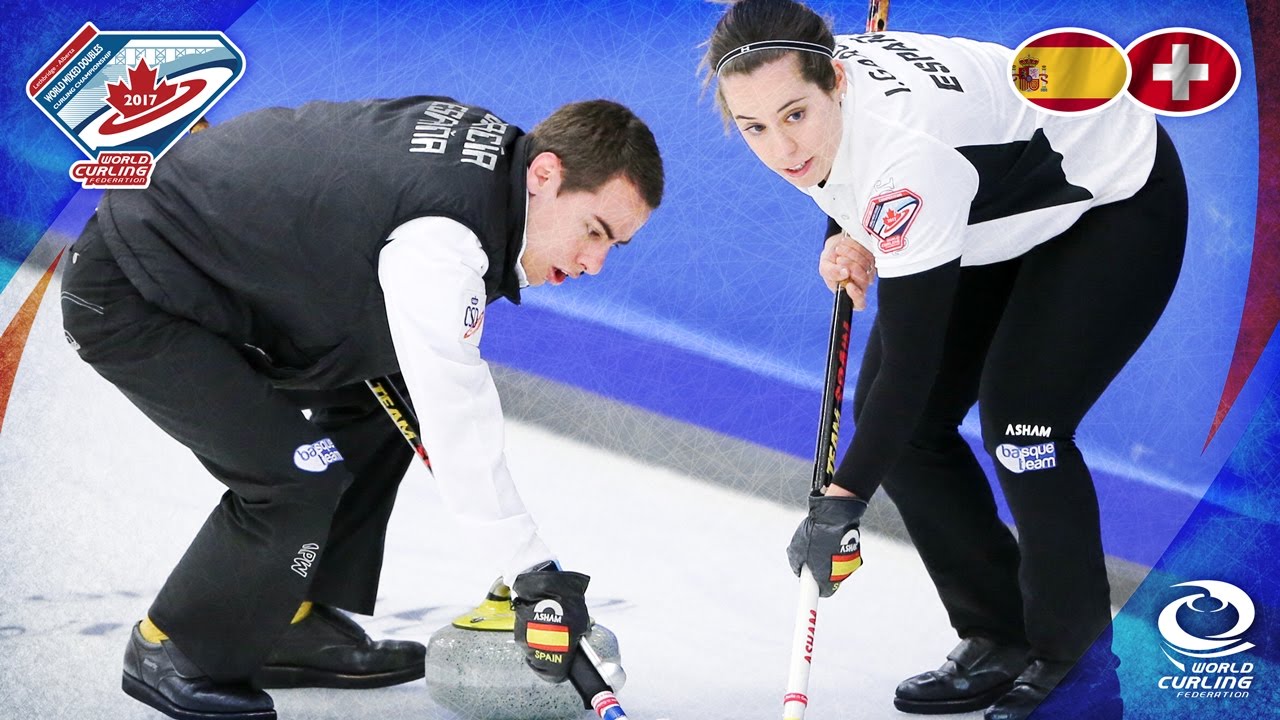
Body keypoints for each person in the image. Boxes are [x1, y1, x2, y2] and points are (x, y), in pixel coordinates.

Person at [60, 96, 663, 720]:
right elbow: (456, 416)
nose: (595, 263)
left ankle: (289, 618)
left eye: (613, 245)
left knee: (381, 399)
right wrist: (533, 573)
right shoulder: (444, 239)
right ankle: (174, 647)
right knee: (297, 479)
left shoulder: (491, 166)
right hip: (137, 293)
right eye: (594, 231)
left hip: (223, 265)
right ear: (545, 175)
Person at [701, 1, 1186, 719]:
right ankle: (999, 635)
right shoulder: (817, 101)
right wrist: (849, 232)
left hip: (1108, 198)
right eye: (754, 129)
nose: (781, 148)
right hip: (994, 199)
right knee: (908, 433)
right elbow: (844, 175)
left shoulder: (907, 157)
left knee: (1025, 431)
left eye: (795, 115)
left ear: (836, 79)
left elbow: (912, 356)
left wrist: (842, 500)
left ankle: (1077, 672)